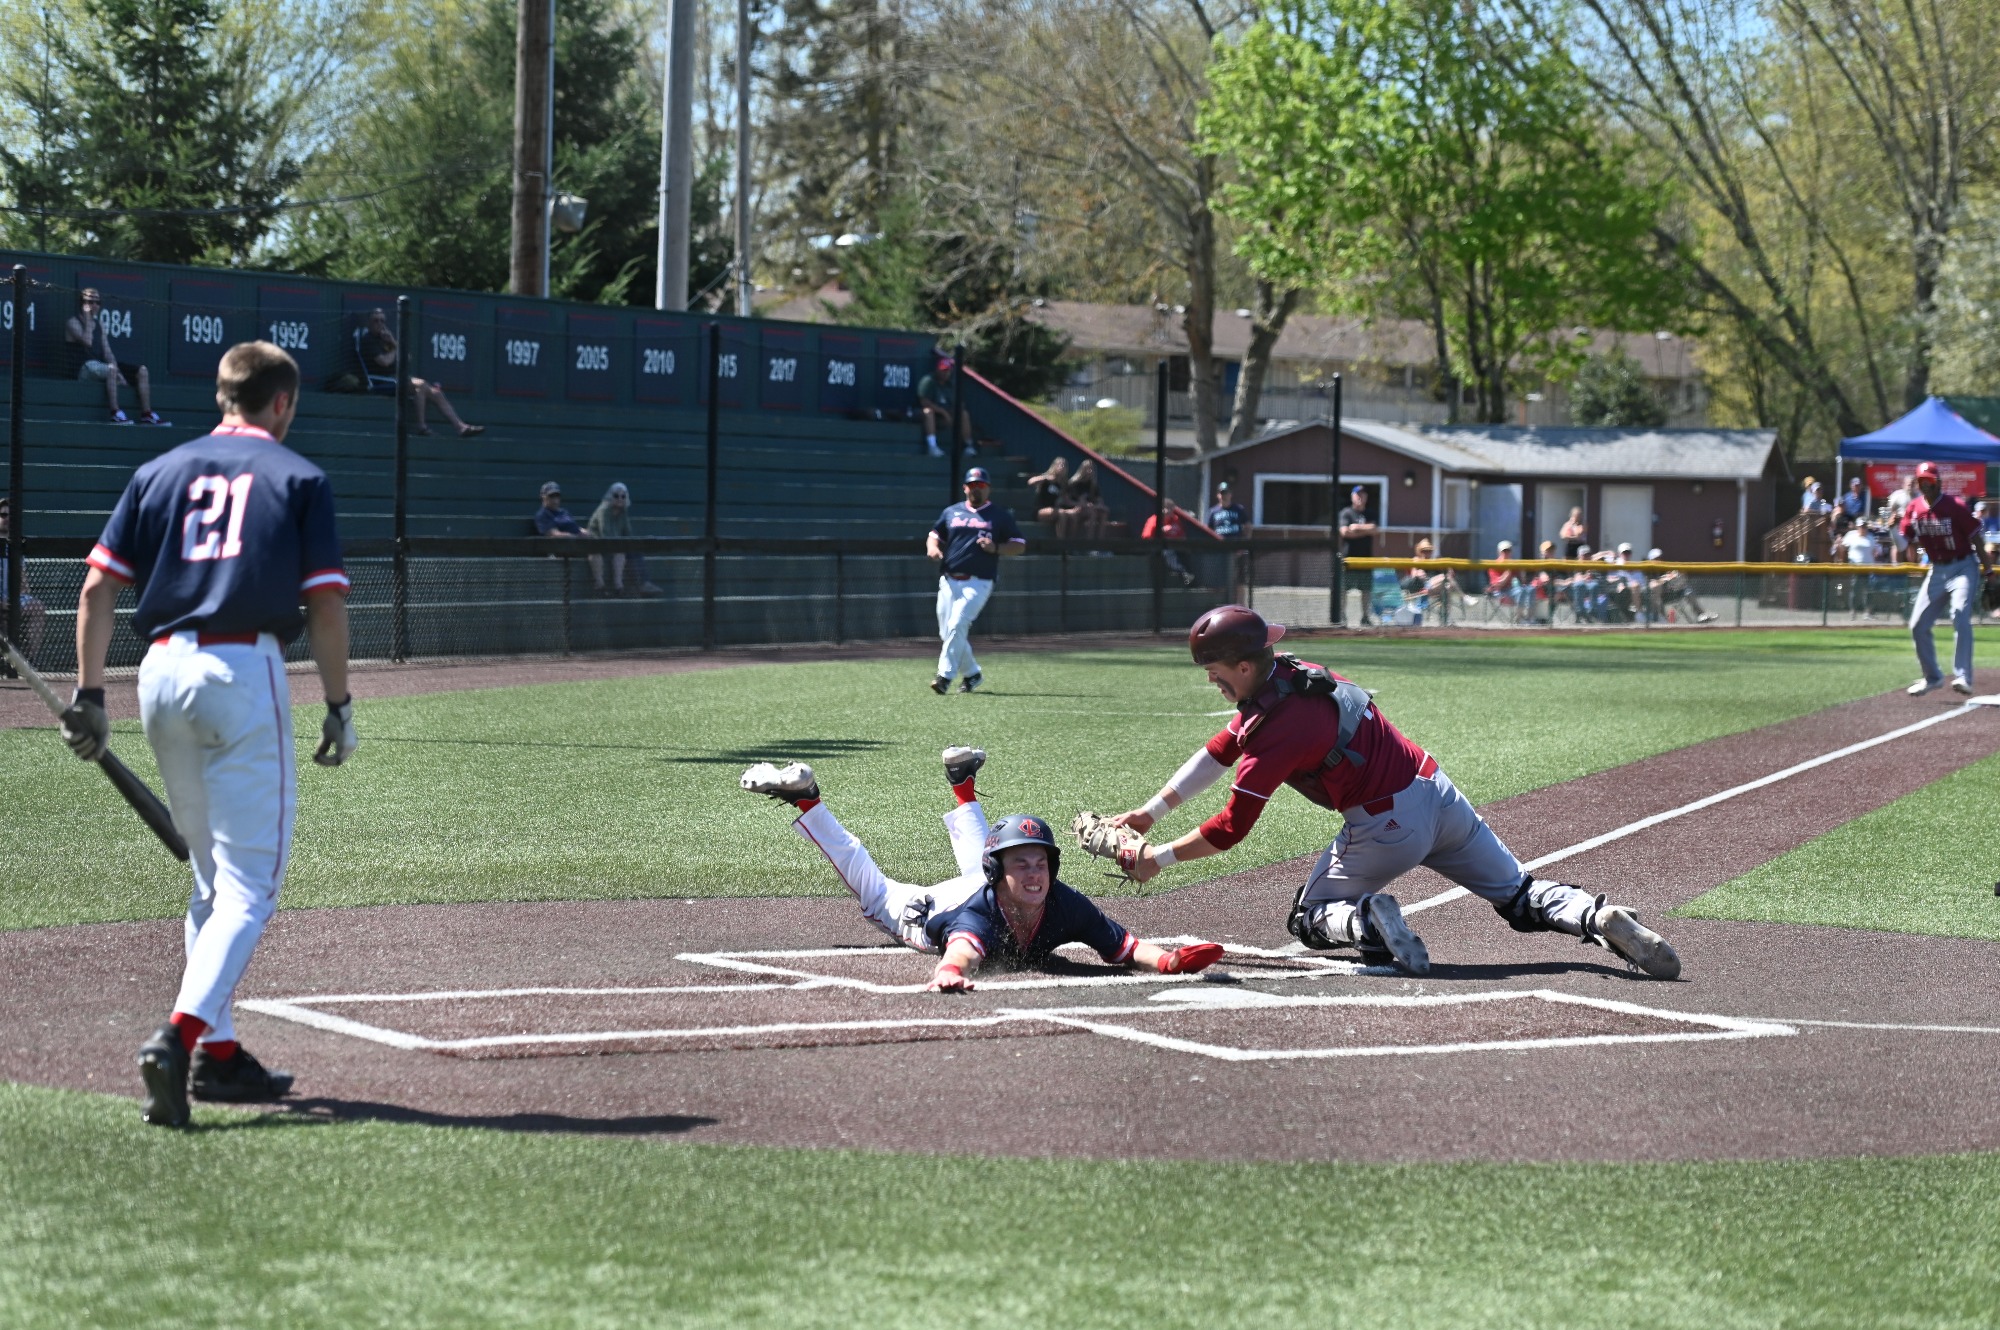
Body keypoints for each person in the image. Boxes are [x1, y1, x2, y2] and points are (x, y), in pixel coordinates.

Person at [60, 341, 356, 1128]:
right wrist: (338, 703)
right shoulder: (299, 477)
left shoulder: (159, 470)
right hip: (241, 668)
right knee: (250, 886)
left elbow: (96, 589)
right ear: (282, 403)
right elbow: (326, 605)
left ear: (222, 396)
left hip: (159, 671)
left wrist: (91, 695)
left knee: (210, 880)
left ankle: (218, 1058)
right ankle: (178, 1038)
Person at [1104, 605, 1680, 979]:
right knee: (1520, 894)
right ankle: (1595, 914)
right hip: (1440, 793)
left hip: (1386, 825)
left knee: (1308, 918)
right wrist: (1151, 813)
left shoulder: (1276, 732)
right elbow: (1219, 748)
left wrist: (1157, 860)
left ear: (1245, 666)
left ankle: (1366, 921)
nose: (1210, 678)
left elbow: (1231, 829)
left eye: (1215, 669)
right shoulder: (1295, 674)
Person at [738, 748, 1223, 991]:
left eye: (1041, 862)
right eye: (1021, 863)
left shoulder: (1062, 901)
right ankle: (808, 800)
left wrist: (1171, 962)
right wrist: (950, 973)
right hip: (923, 908)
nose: (1034, 873)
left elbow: (1126, 948)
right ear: (1002, 871)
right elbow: (962, 952)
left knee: (980, 866)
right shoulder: (979, 913)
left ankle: (962, 785)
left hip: (980, 882)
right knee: (870, 886)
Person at [927, 466, 1025, 694]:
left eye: (980, 485)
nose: (976, 489)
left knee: (957, 624)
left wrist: (996, 547)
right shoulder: (952, 512)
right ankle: (972, 674)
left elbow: (1019, 545)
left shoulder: (999, 515)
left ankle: (944, 677)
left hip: (978, 581)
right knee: (947, 632)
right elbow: (934, 535)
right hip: (949, 580)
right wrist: (932, 548)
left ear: (988, 488)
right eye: (972, 485)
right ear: (965, 488)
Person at [1900, 461, 1991, 695]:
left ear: (1938, 482)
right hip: (1937, 570)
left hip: (1963, 566)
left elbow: (1976, 538)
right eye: (1922, 480)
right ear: (1917, 483)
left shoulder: (1955, 506)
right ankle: (1932, 677)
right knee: (1917, 625)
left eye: (1930, 480)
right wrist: (1892, 529)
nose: (1926, 484)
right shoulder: (1914, 508)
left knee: (1960, 614)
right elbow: (1902, 542)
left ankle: (1963, 676)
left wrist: (1988, 570)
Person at [357, 308, 483, 438]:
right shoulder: (368, 340)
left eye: (382, 321)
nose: (379, 324)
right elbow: (384, 362)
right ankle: (422, 427)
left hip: (397, 379)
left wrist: (393, 342)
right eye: (376, 321)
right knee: (421, 385)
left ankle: (461, 427)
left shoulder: (385, 339)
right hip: (382, 381)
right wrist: (395, 349)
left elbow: (407, 358)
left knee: (436, 392)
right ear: (369, 323)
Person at [65, 287, 166, 425]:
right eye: (90, 302)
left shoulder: (100, 325)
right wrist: (88, 318)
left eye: (97, 302)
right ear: (83, 304)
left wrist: (119, 373)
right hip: (83, 368)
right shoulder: (73, 322)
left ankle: (147, 414)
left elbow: (107, 352)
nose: (94, 305)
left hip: (101, 367)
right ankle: (115, 413)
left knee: (142, 371)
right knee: (111, 369)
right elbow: (87, 341)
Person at [585, 482, 661, 596]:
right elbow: (605, 533)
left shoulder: (623, 512)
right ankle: (602, 586)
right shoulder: (604, 510)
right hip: (598, 543)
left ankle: (638, 584)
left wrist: (631, 543)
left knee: (634, 552)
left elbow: (628, 533)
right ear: (610, 496)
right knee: (621, 551)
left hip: (615, 544)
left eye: (623, 496)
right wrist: (621, 543)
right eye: (616, 496)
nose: (620, 499)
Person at [0, 496, 47, 660]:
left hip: (11, 598)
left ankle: (28, 663)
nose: (7, 519)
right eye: (3, 515)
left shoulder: (16, 546)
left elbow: (25, 587)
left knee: (37, 607)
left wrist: (11, 601)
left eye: (10, 516)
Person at [1338, 486, 1378, 625]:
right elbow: (1344, 532)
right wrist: (1365, 531)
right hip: (1348, 559)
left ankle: (1365, 617)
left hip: (1366, 559)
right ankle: (1341, 617)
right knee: (1343, 590)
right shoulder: (1346, 513)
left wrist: (1356, 528)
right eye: (1357, 494)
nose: (1360, 497)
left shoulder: (1370, 513)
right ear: (1352, 497)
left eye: (1363, 494)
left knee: (1366, 590)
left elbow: (1374, 529)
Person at [916, 357, 969, 459]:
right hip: (929, 416)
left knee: (964, 414)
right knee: (928, 412)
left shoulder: (950, 385)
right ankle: (932, 446)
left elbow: (958, 402)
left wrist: (953, 412)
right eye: (943, 370)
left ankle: (968, 446)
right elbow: (924, 402)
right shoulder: (928, 381)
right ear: (937, 369)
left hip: (947, 416)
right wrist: (944, 413)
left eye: (947, 370)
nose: (945, 373)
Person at [1646, 547, 1717, 623]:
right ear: (1651, 560)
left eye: (1659, 558)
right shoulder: (1648, 571)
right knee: (1656, 588)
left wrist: (1675, 576)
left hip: (1671, 593)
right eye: (1656, 559)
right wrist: (1663, 579)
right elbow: (1652, 585)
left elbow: (1680, 577)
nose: (1659, 560)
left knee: (1688, 591)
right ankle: (1659, 617)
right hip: (1657, 597)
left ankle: (1700, 614)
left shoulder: (1665, 568)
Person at [1141, 501, 1196, 587]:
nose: (1168, 511)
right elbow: (1146, 537)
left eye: (1171, 508)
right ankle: (1183, 573)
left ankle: (1189, 580)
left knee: (1185, 552)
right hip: (1158, 547)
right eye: (1166, 508)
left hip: (1175, 545)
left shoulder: (1176, 520)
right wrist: (1162, 531)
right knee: (1168, 551)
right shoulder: (1153, 520)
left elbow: (1182, 536)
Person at [1065, 459, 1107, 541]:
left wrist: (1099, 505)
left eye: (1092, 469)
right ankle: (1088, 541)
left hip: (1088, 508)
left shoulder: (1093, 485)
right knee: (1092, 513)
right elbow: (1074, 500)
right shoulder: (1074, 483)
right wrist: (1087, 505)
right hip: (1074, 508)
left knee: (1103, 513)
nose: (1090, 471)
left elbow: (1099, 499)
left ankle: (1100, 541)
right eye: (1088, 468)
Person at [1026, 457, 1069, 529]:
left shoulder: (1063, 484)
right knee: (1061, 514)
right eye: (1059, 465)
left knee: (1071, 516)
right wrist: (1046, 478)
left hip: (1055, 509)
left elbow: (1065, 500)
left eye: (1064, 465)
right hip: (1041, 510)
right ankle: (1061, 537)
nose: (1061, 467)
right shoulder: (1046, 479)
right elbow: (1030, 482)